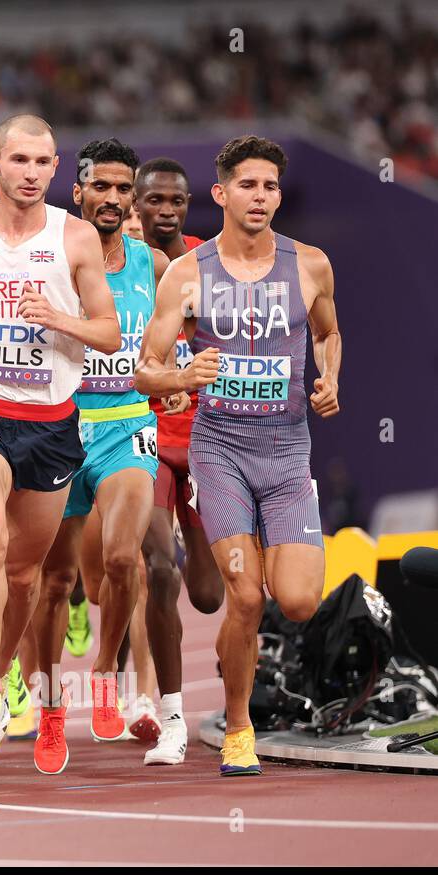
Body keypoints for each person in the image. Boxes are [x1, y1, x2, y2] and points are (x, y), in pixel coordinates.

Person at [136, 135, 342, 776]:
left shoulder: (310, 264)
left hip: (286, 454)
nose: (261, 197)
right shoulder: (188, 273)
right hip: (219, 452)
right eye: (248, 185)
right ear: (222, 194)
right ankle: (240, 724)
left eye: (271, 186)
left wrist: (330, 377)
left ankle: (240, 663)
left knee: (300, 599)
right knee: (245, 598)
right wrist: (182, 378)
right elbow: (146, 369)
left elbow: (328, 332)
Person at [0, 114, 120, 764]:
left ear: (54, 170)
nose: (31, 173)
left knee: (26, 575)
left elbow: (109, 334)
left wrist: (57, 318)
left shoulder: (77, 238)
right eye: (20, 161)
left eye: (42, 163)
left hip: (51, 424)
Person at [24, 139, 167, 771]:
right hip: (59, 425)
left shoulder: (152, 263)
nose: (112, 199)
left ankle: (107, 670)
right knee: (53, 581)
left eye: (123, 189)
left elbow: (178, 332)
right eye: (100, 188)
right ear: (77, 190)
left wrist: (179, 377)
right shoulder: (52, 256)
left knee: (121, 556)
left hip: (126, 425)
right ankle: (53, 708)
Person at [131, 157, 224, 765]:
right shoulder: (123, 266)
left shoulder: (206, 264)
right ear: (137, 204)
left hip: (207, 438)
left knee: (213, 596)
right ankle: (171, 717)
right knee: (158, 570)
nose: (166, 211)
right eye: (155, 201)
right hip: (146, 438)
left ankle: (244, 660)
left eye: (177, 201)